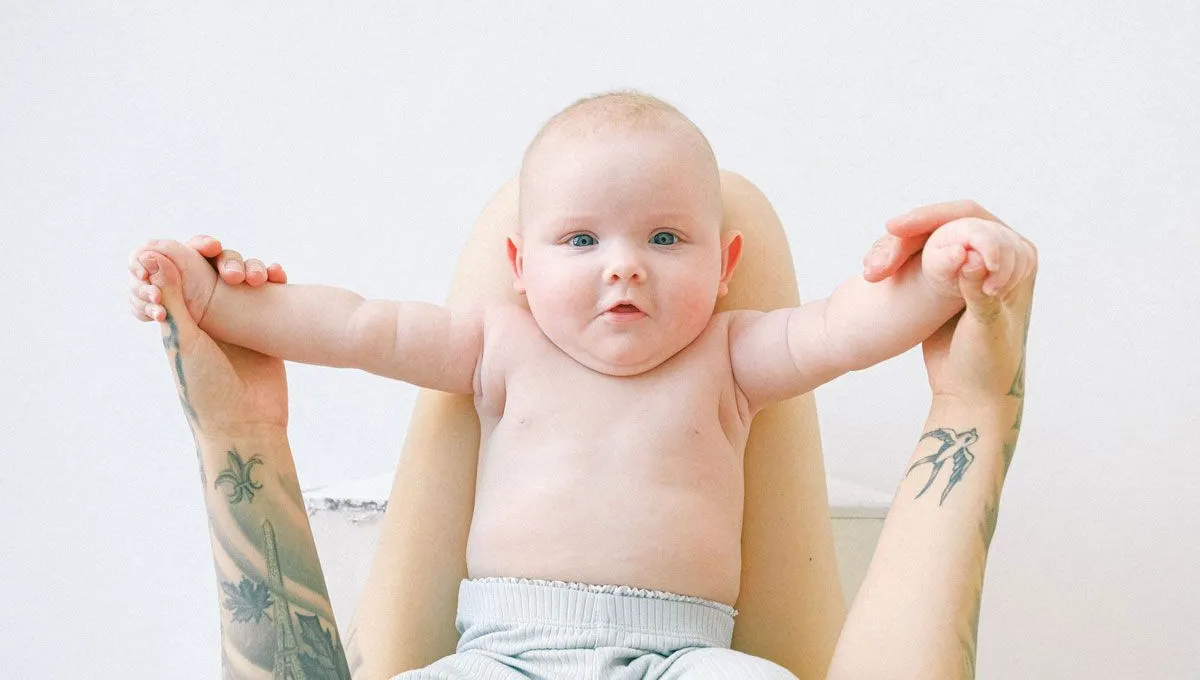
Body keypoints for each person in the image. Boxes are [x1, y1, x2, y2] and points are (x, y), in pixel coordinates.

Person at [129, 97, 1035, 678]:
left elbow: (844, 324)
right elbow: (356, 325)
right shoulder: (496, 342)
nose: (625, 269)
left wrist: (952, 276)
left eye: (666, 239)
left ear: (727, 268)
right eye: (582, 241)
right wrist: (217, 304)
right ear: (516, 266)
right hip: (504, 652)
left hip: (686, 654)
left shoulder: (733, 357)